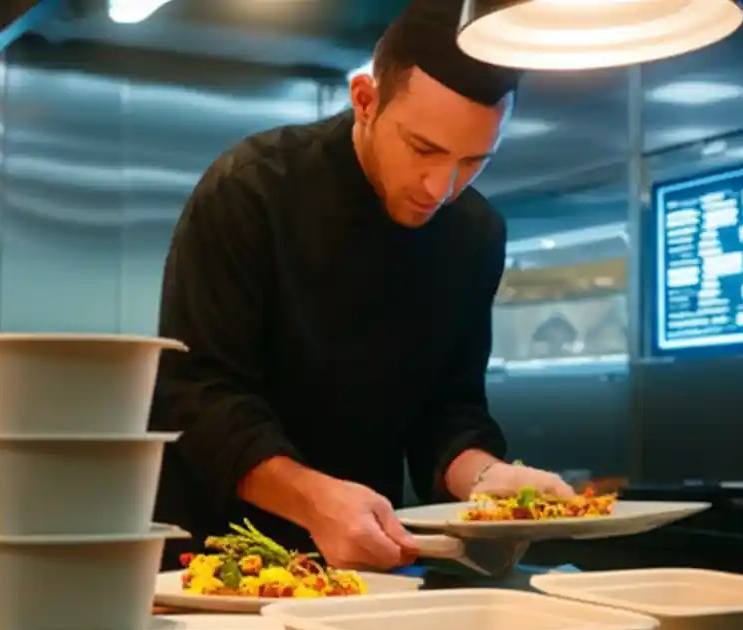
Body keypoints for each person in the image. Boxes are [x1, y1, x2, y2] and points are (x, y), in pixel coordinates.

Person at [148, 0, 576, 572]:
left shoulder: (474, 233)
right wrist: (316, 501)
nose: (440, 187)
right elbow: (197, 395)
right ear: (366, 101)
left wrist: (488, 479)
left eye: (473, 161)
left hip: (370, 560)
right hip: (217, 553)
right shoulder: (250, 191)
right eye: (423, 149)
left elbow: (449, 409)